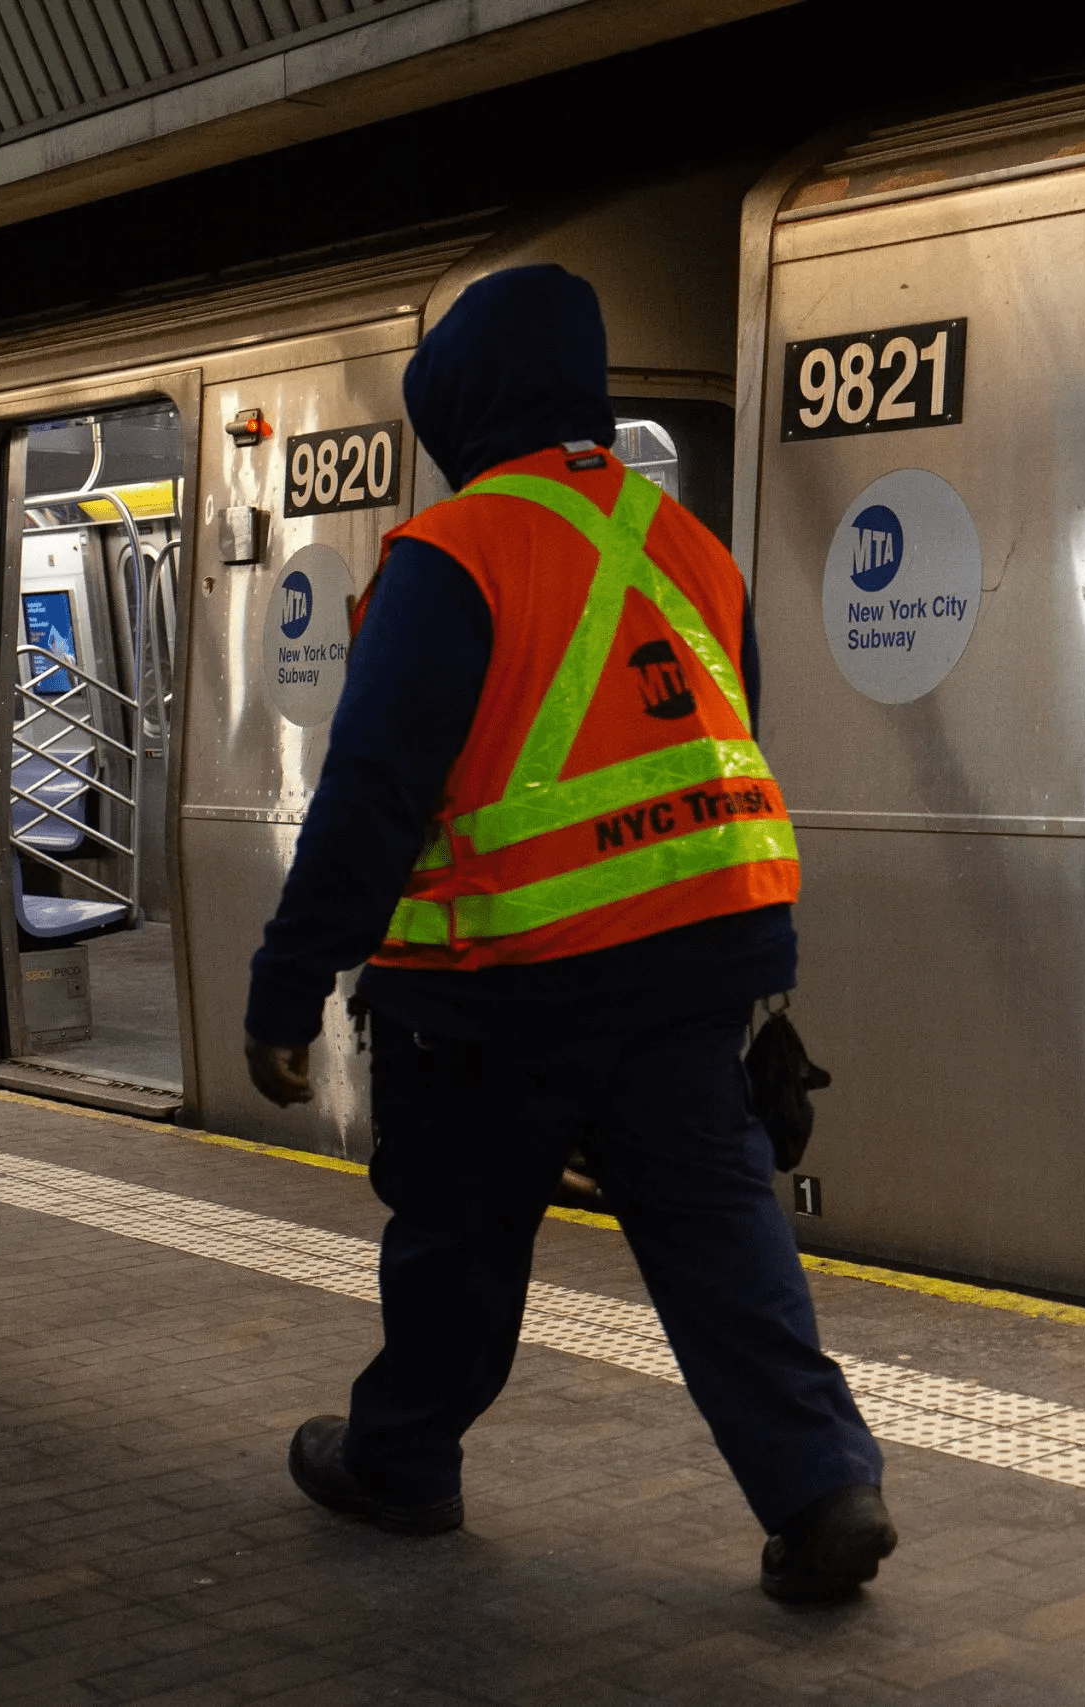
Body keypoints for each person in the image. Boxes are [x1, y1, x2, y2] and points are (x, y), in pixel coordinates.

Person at [240, 265, 893, 1604]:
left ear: (463, 407)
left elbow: (372, 794)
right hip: (699, 961)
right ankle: (825, 1486)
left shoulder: (452, 553)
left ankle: (405, 1464)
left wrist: (286, 986)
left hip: (502, 983)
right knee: (719, 1237)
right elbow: (721, 738)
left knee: (458, 1240)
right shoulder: (686, 544)